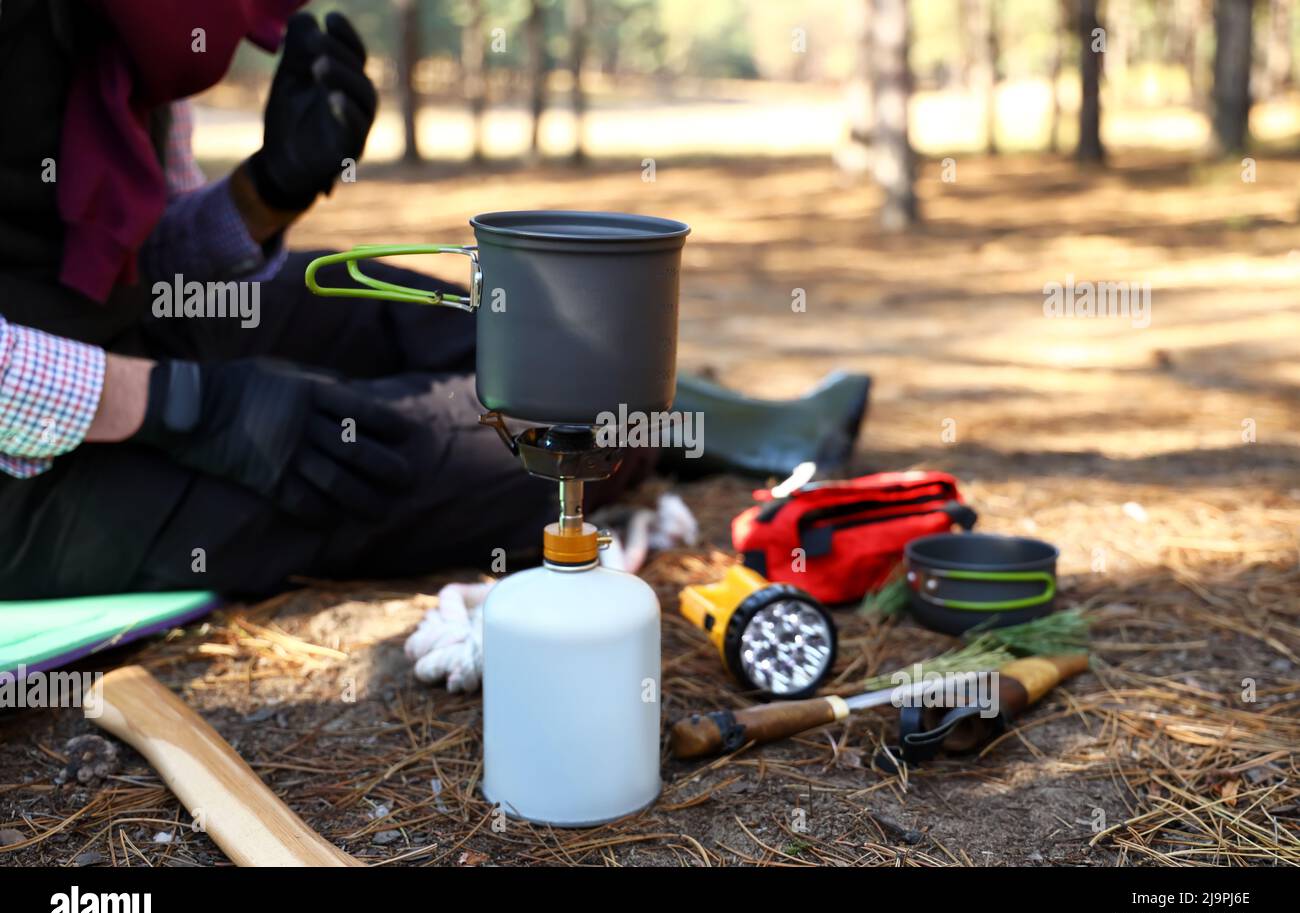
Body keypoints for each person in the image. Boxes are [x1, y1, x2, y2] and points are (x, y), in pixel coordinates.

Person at [0, 0, 868, 600]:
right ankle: (646, 434)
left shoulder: (115, 43)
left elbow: (130, 260)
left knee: (422, 315)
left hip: (117, 335)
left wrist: (267, 191)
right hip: (28, 468)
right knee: (490, 448)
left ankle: (720, 420)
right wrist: (187, 406)